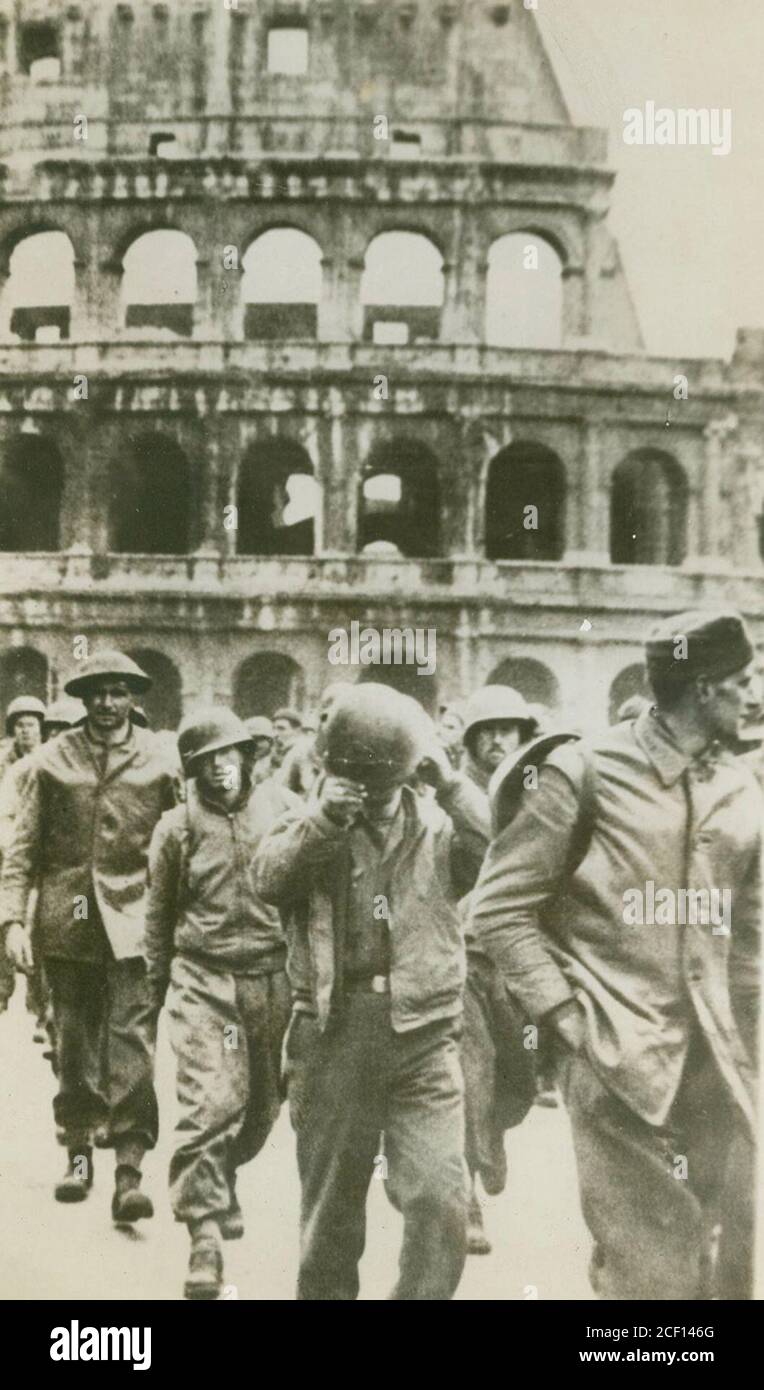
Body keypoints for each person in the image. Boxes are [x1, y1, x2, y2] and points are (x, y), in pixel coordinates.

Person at [468, 609, 761, 1300]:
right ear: (703, 689)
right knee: (653, 1279)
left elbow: (750, 936)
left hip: (716, 1068)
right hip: (616, 1062)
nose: (755, 695)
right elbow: (499, 909)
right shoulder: (581, 773)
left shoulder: (742, 790)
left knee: (723, 1275)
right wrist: (566, 1017)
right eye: (744, 681)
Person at [254, 683, 490, 1300]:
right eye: (362, 777)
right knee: (332, 1214)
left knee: (442, 1199)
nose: (378, 792)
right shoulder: (306, 823)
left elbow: (500, 854)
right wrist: (325, 818)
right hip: (334, 1032)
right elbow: (269, 879)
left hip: (426, 1034)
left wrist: (454, 784)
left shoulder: (439, 827)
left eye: (391, 777)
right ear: (334, 770)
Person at [1, 650, 176, 1219]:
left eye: (118, 692)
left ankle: (129, 1172)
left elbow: (180, 845)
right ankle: (78, 1157)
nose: (106, 703)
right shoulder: (52, 760)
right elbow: (22, 849)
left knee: (132, 1046)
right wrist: (12, 920)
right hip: (68, 921)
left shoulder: (158, 760)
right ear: (81, 698)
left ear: (133, 698)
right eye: (96, 692)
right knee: (73, 1046)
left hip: (135, 922)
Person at [144, 708, 299, 1300]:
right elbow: (159, 918)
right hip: (203, 978)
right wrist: (157, 994)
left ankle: (224, 1172)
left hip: (272, 977)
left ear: (248, 757)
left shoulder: (284, 812)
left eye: (228, 755)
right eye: (206, 761)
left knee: (263, 1107)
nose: (219, 769)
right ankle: (203, 1237)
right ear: (193, 771)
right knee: (209, 1101)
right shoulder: (175, 829)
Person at [458, 684, 539, 1254]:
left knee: (520, 1075)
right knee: (468, 1073)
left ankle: (493, 1135)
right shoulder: (454, 796)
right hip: (461, 957)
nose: (494, 740)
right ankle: (466, 1197)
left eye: (505, 730)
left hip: (518, 962)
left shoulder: (541, 795)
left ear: (523, 736)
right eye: (483, 731)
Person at [0, 696, 46, 1014]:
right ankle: (3, 986)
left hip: (42, 852)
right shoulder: (4, 763)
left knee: (43, 919)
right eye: (20, 725)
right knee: (7, 914)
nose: (25, 731)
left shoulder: (50, 760)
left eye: (31, 724)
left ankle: (39, 994)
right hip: (7, 846)